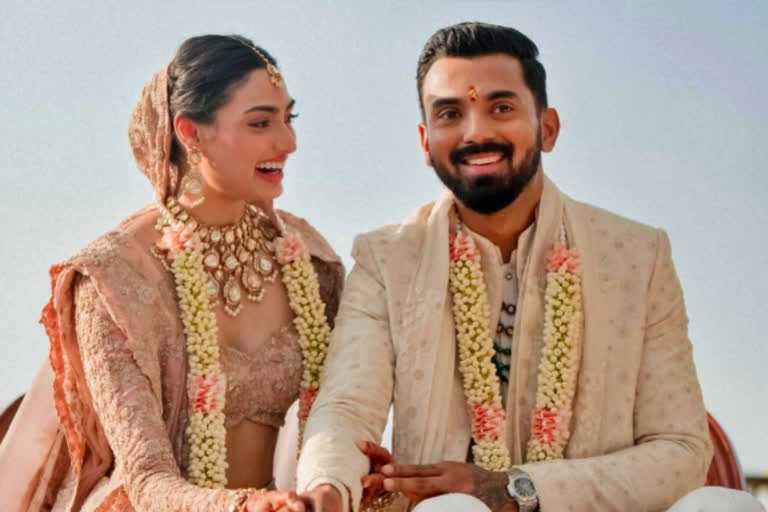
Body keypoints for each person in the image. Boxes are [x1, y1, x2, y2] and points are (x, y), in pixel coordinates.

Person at [296, 22, 764, 512]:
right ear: (425, 141)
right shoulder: (388, 258)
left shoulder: (636, 257)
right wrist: (328, 489)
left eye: (501, 108)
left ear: (548, 128)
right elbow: (346, 409)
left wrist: (517, 488)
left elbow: (680, 451)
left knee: (728, 507)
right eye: (450, 114)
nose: (476, 133)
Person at [0, 34, 344, 511]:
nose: (288, 142)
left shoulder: (309, 262)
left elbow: (339, 424)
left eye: (290, 118)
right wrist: (243, 507)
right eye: (261, 123)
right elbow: (145, 477)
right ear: (190, 133)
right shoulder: (113, 279)